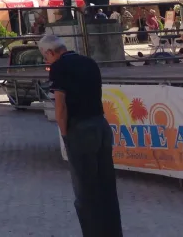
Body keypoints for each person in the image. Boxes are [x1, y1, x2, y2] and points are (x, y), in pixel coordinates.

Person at [38, 34, 122, 237]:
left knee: (85, 191)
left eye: (45, 57)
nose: (46, 62)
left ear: (51, 52)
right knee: (107, 187)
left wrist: (65, 135)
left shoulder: (59, 68)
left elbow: (61, 107)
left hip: (80, 129)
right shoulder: (90, 62)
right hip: (100, 125)